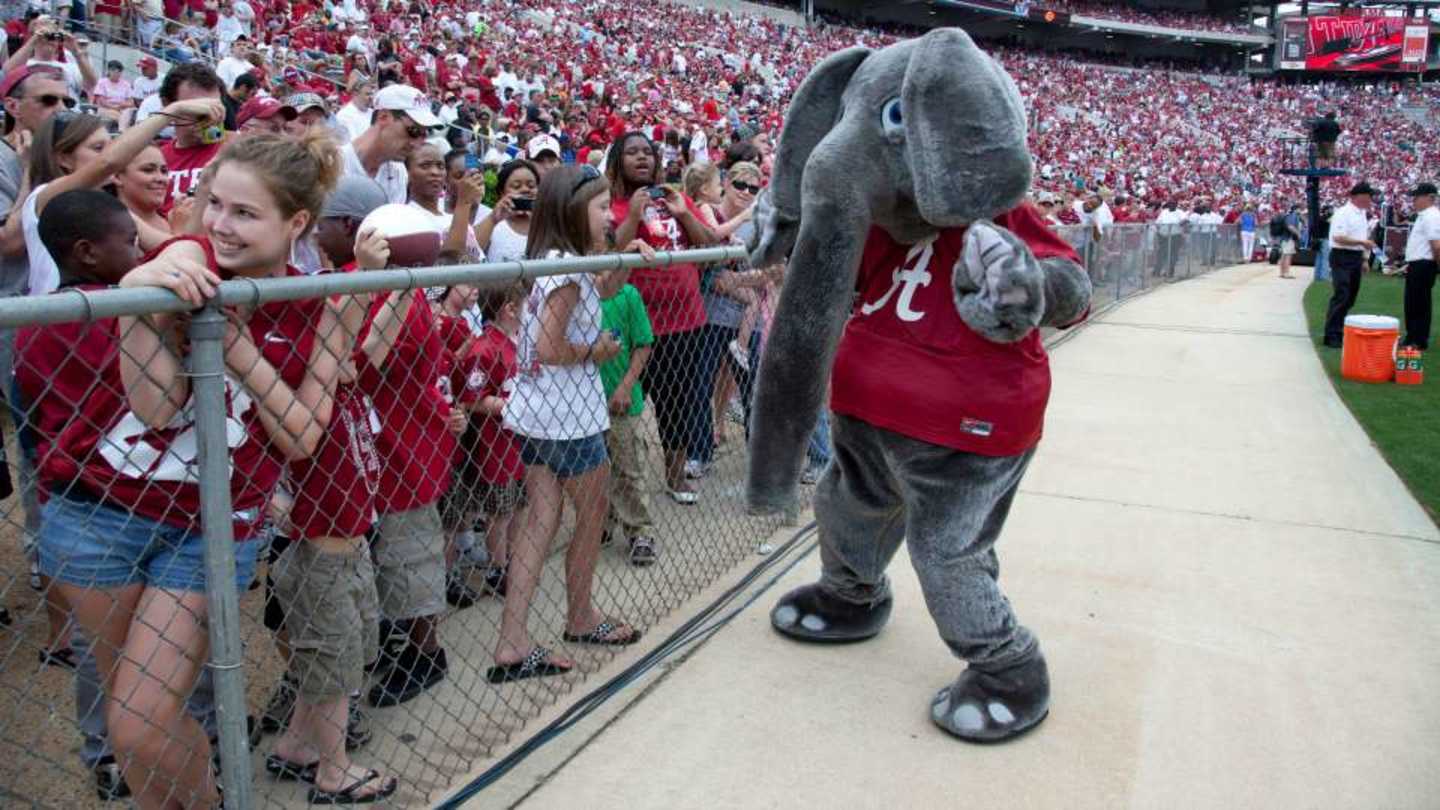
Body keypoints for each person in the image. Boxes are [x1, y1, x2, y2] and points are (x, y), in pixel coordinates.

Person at [18, 131, 341, 809]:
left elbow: (305, 436)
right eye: (214, 204)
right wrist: (140, 297)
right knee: (137, 724)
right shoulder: (181, 259)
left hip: (207, 528)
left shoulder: (322, 301)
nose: (221, 224)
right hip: (99, 512)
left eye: (245, 213)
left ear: (296, 224)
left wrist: (231, 342)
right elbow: (157, 404)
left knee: (139, 720)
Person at [490, 164, 649, 683]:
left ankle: (512, 639)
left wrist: (625, 257)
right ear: (571, 210)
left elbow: (601, 292)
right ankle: (581, 616)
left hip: (540, 412)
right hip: (566, 418)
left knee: (541, 519)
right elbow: (551, 346)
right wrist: (598, 350)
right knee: (589, 511)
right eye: (601, 207)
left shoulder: (559, 260)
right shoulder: (565, 269)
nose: (609, 216)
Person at [265, 219, 399, 806]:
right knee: (333, 665)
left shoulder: (346, 382)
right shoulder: (303, 396)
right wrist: (365, 278)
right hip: (319, 552)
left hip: (352, 545)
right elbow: (338, 331)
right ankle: (333, 771)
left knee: (343, 655)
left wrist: (394, 284)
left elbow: (366, 340)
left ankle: (296, 745)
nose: (349, 350)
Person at [606, 131, 717, 503]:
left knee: (679, 406)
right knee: (627, 410)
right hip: (635, 327)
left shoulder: (675, 198)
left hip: (686, 321)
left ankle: (675, 477)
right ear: (618, 161)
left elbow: (706, 247)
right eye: (632, 152)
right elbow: (606, 253)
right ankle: (621, 488)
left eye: (647, 153)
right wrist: (633, 215)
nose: (642, 159)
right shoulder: (611, 204)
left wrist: (685, 214)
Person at [467, 282, 528, 594]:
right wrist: (509, 405)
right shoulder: (485, 347)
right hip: (497, 446)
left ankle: (515, 561)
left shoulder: (518, 342)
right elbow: (473, 398)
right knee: (500, 511)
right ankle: (497, 567)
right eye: (524, 304)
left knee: (518, 505)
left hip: (519, 443)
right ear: (509, 309)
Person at [598, 278, 658, 565]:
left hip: (620, 397)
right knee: (596, 469)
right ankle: (604, 522)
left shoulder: (627, 293)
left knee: (628, 465)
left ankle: (640, 529)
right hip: (586, 401)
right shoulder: (580, 292)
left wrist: (625, 386)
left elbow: (643, 344)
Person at [1323, 182, 1378, 348]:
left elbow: (1361, 236)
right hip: (1342, 255)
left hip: (1355, 256)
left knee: (1350, 296)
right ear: (1358, 196)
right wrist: (1362, 242)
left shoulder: (1361, 213)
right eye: (1368, 196)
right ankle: (1331, 334)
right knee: (1342, 293)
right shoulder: (1343, 213)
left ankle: (1339, 329)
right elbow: (1339, 237)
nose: (1370, 199)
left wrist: (1363, 259)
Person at [476, 158, 537, 264]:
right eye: (516, 186)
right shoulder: (491, 223)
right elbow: (468, 254)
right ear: (501, 193)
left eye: (531, 185)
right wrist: (492, 219)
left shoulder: (545, 224)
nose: (525, 189)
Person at [1402, 182, 1440, 351]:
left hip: (1424, 265)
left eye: (1416, 197)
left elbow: (1437, 245)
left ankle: (1418, 339)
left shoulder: (1432, 216)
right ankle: (1412, 336)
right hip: (1418, 264)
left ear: (1429, 198)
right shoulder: (1424, 215)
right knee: (1412, 303)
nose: (1414, 200)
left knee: (1419, 304)